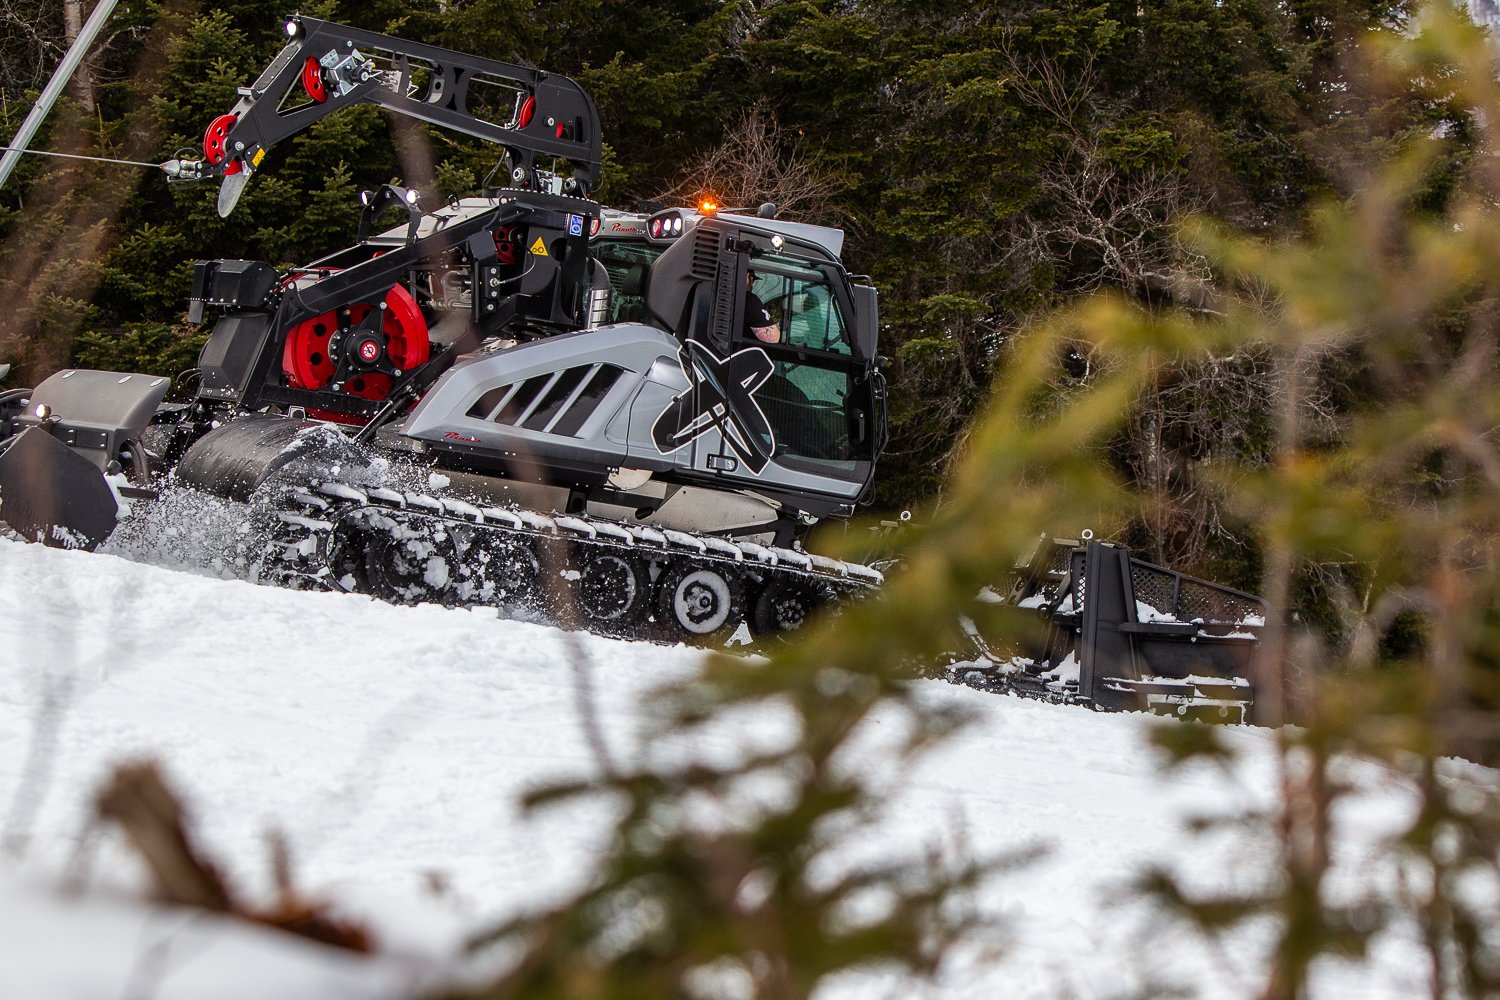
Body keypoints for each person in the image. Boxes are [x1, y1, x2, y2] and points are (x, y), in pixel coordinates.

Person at [744, 271, 779, 343]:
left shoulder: (747, 299)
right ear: (748, 276)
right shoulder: (749, 299)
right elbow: (773, 340)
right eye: (752, 280)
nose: (752, 284)